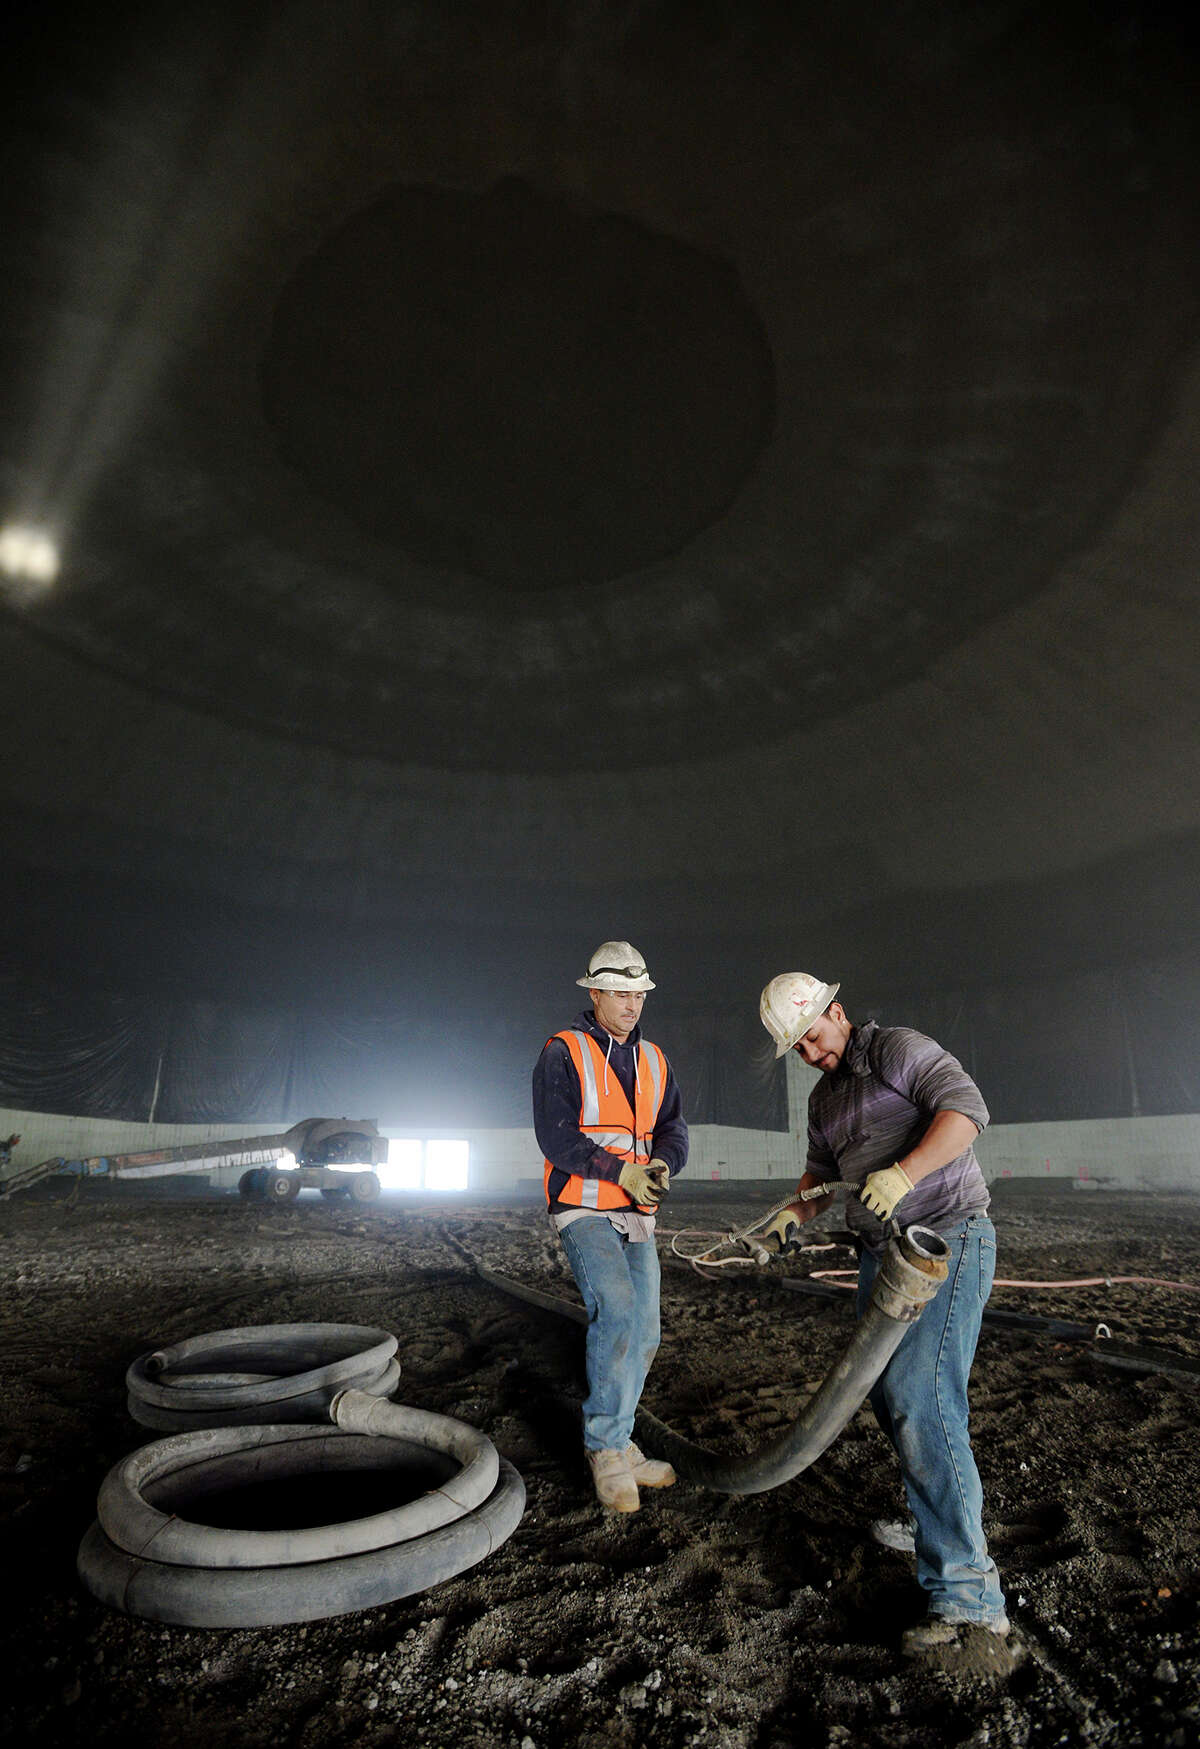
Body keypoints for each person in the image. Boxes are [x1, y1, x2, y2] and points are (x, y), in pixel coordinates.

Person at [758, 971, 1009, 1656]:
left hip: (945, 1237)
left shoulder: (897, 1048)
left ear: (837, 1011)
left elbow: (967, 1110)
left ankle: (969, 1596)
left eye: (814, 1036)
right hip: (882, 1252)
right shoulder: (824, 1100)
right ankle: (936, 1526)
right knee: (890, 1396)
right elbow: (819, 1179)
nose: (811, 1053)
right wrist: (792, 1214)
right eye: (798, 1048)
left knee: (923, 1398)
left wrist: (905, 1173)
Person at [533, 941, 689, 1513]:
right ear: (595, 993)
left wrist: (663, 1164)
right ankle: (604, 1448)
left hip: (636, 1211)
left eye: (639, 994)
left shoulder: (655, 1060)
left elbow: (673, 1129)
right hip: (582, 1205)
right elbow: (556, 1137)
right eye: (620, 994)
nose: (632, 1004)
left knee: (645, 1331)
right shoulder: (562, 1052)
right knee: (618, 1310)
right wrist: (621, 1171)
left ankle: (621, 1441)